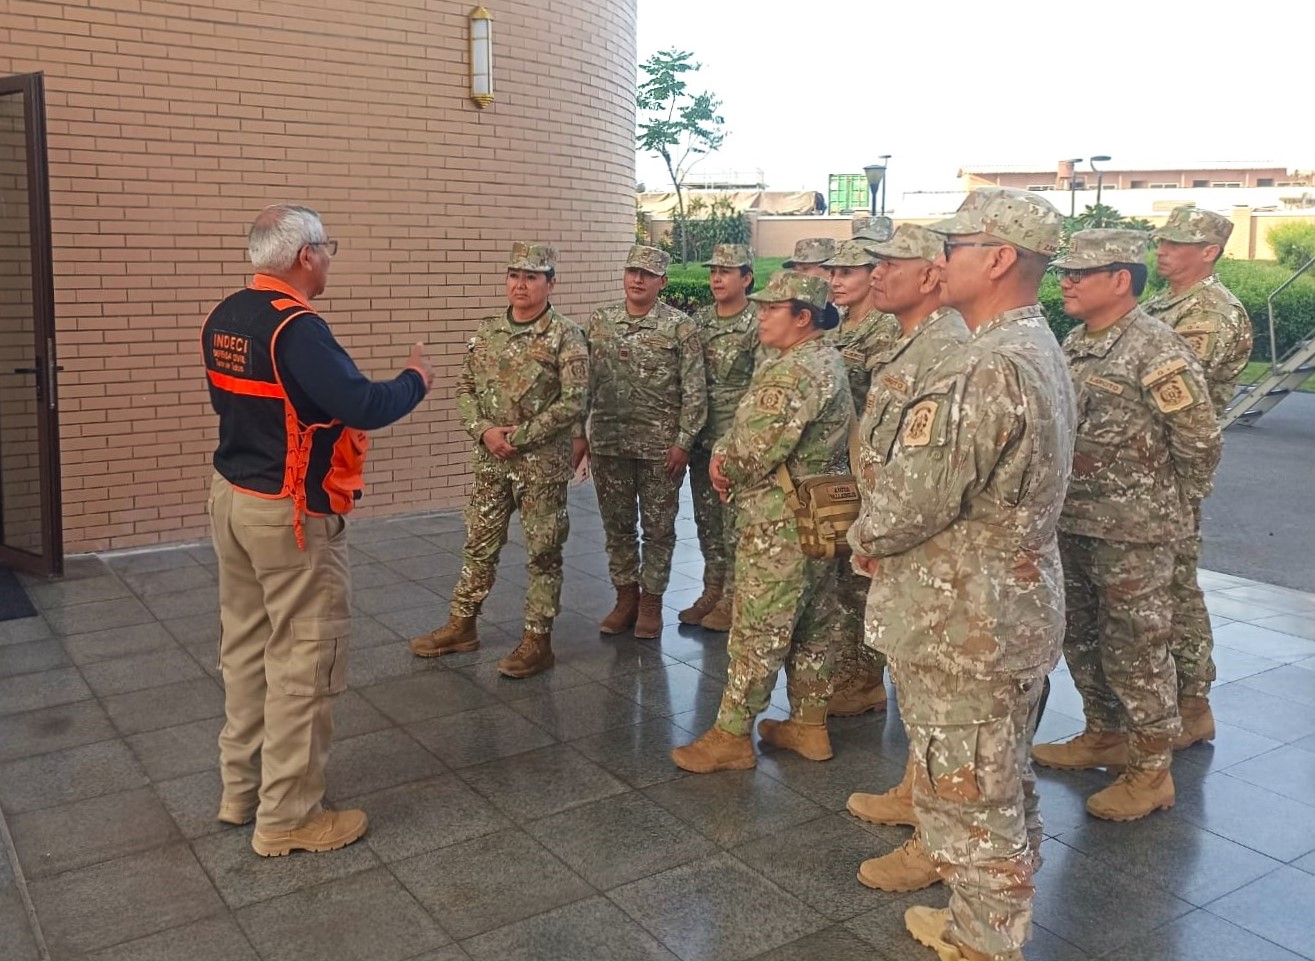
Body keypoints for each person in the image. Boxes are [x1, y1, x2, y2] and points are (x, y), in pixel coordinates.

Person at [851, 188, 1076, 961]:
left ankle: (984, 943)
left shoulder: (983, 366)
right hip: (1004, 608)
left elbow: (911, 500)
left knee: (965, 794)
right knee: (995, 780)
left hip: (964, 619)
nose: (939, 259)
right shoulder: (1036, 346)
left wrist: (863, 535)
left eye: (954, 246)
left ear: (1000, 257)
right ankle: (983, 921)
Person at [202, 204, 432, 857]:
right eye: (327, 247)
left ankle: (240, 792)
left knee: (245, 651)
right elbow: (362, 403)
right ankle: (288, 817)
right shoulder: (298, 328)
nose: (330, 256)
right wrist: (416, 379)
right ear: (305, 256)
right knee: (305, 657)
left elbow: (232, 404)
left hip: (233, 499)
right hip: (290, 515)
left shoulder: (226, 315)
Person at [1030, 229, 1221, 821]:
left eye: (1080, 274)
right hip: (1078, 522)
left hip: (1135, 533)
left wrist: (1172, 509)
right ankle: (1104, 733)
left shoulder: (1155, 349)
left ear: (1120, 280)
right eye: (1064, 272)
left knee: (1137, 649)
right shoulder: (1079, 343)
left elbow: (1200, 440)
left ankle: (1151, 770)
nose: (1066, 282)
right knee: (1083, 638)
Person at [670, 271, 853, 772]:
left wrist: (721, 462)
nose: (762, 314)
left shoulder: (794, 371)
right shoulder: (823, 359)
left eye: (774, 308)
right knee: (817, 620)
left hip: (779, 524)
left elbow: (752, 450)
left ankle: (730, 735)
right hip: (817, 517)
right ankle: (809, 725)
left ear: (802, 317)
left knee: (758, 628)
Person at [844, 224, 970, 894]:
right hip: (900, 547)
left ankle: (938, 839)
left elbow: (931, 479)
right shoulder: (910, 342)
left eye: (891, 263)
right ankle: (916, 788)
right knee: (914, 684)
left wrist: (872, 535)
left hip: (927, 551)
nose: (875, 274)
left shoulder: (949, 350)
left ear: (930, 275)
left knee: (941, 699)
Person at [410, 243, 589, 678]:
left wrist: (521, 437)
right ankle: (462, 624)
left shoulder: (566, 335)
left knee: (543, 552)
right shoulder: (487, 330)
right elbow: (465, 389)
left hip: (540, 464)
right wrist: (485, 432)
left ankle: (537, 640)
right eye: (514, 275)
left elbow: (575, 401)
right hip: (491, 461)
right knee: (478, 544)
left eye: (531, 277)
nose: (520, 284)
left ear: (550, 283)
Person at [1143, 206, 1253, 749]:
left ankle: (1193, 704)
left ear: (1208, 252)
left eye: (1177, 243)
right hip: (1136, 471)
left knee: (1177, 588)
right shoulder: (1164, 303)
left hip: (1170, 468)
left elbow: (1177, 399)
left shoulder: (1212, 312)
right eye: (1162, 241)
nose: (1163, 250)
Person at [583, 245, 707, 638]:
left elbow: (695, 390)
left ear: (662, 282)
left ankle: (651, 602)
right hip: (609, 444)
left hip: (660, 450)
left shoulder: (679, 327)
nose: (638, 279)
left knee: (658, 529)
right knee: (617, 527)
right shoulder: (600, 321)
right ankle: (625, 598)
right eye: (632, 271)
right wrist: (577, 433)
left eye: (648, 274)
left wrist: (684, 442)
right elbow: (582, 383)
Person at [820, 239, 902, 717]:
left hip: (869, 472)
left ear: (874, 275)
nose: (836, 281)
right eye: (833, 272)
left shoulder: (884, 331)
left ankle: (867, 677)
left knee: (862, 580)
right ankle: (848, 667)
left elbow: (882, 413)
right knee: (841, 579)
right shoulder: (840, 328)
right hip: (838, 473)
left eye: (848, 273)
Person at [681, 244, 759, 633]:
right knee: (707, 521)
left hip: (737, 442)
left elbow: (762, 387)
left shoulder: (759, 323)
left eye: (726, 272)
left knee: (735, 524)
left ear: (746, 277)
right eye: (713, 271)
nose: (716, 278)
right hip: (702, 439)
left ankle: (733, 596)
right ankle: (712, 589)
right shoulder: (700, 321)